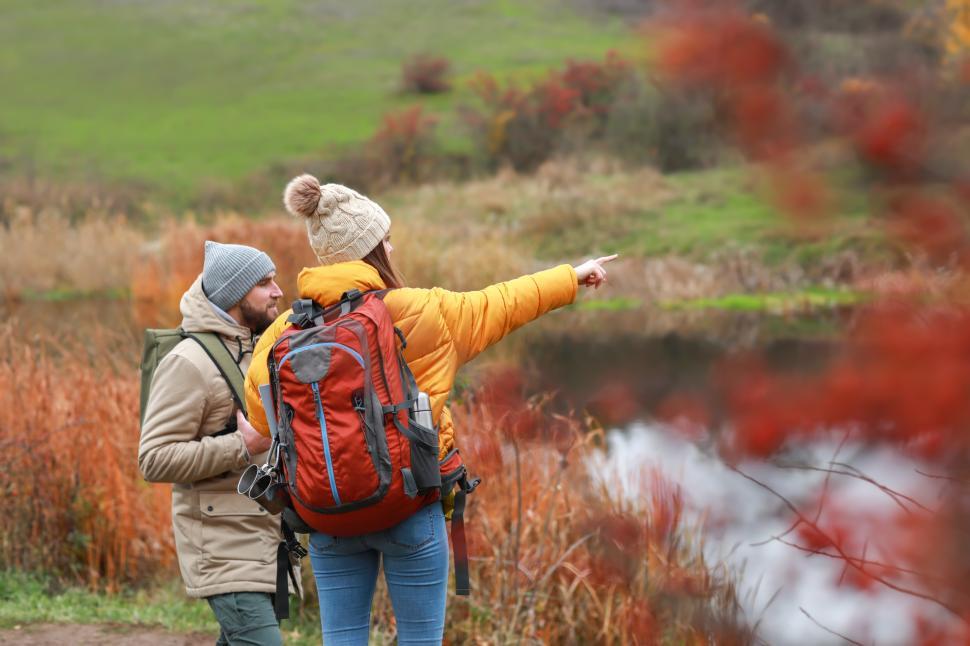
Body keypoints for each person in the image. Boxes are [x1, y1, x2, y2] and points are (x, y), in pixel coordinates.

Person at [244, 175, 616, 646]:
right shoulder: (423, 311)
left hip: (327, 514)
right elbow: (499, 304)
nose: (393, 249)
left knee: (343, 639)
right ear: (374, 249)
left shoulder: (281, 334)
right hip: (410, 504)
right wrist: (573, 275)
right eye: (387, 241)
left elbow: (264, 421)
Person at [139, 240, 299, 646]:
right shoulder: (189, 362)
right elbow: (154, 459)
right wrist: (242, 446)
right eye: (265, 283)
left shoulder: (258, 350)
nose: (278, 291)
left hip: (262, 537)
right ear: (234, 295)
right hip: (223, 546)